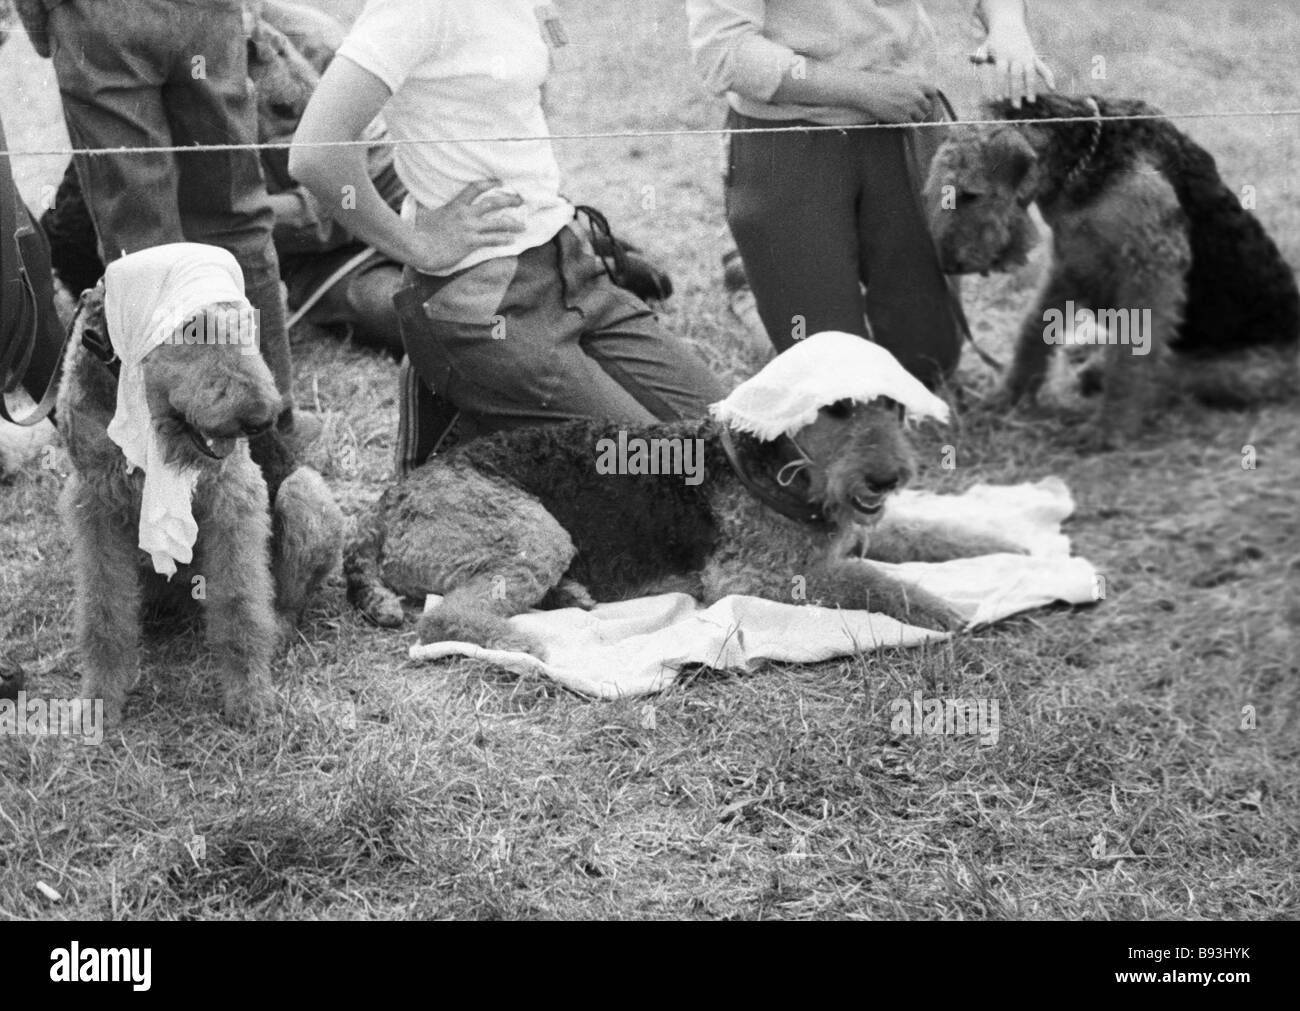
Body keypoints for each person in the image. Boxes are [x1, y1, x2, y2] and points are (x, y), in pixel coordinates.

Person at [289, 0, 725, 475]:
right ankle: (458, 403)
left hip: (570, 272)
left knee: (733, 441)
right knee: (666, 468)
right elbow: (316, 153)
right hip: (486, 302)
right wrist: (417, 245)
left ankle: (463, 408)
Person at [686, 0, 1054, 388]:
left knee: (926, 365)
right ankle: (751, 290)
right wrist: (862, 91)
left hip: (903, 121)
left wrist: (1008, 27)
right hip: (788, 135)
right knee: (830, 385)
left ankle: (797, 280)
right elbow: (722, 52)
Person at [19, 0, 312, 441]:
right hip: (206, 13)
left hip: (101, 18)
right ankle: (271, 419)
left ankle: (182, 431)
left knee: (142, 238)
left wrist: (47, 20)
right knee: (235, 218)